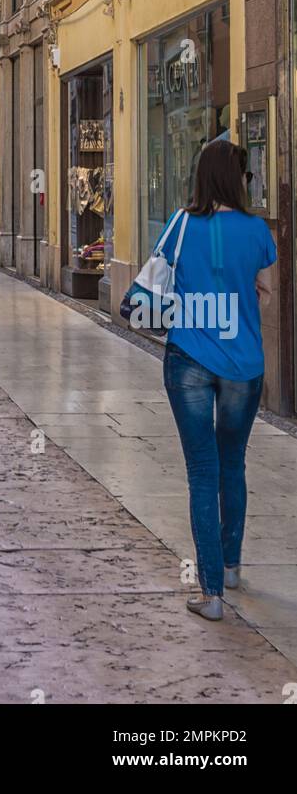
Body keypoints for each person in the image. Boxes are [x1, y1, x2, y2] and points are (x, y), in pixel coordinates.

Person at [162, 140, 276, 622]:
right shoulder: (257, 230)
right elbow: (266, 297)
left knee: (201, 472)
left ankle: (210, 594)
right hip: (243, 365)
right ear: (239, 179)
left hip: (188, 358)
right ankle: (230, 566)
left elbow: (162, 278)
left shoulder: (181, 224)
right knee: (233, 464)